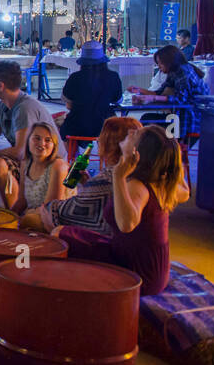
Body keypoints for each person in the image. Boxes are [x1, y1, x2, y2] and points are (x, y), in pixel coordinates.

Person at [55, 125, 188, 295]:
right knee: (63, 233)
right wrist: (174, 156)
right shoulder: (162, 183)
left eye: (135, 135)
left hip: (136, 272)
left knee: (59, 238)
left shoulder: (137, 186)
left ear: (137, 152)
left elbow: (127, 225)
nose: (131, 132)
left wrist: (119, 175)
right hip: (149, 265)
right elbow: (185, 192)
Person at [0, 59, 60, 204]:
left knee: (0, 165)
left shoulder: (24, 109)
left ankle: (13, 215)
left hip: (42, 164)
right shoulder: (2, 107)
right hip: (25, 160)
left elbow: (20, 153)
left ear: (1, 86)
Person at [28, 116, 141, 234]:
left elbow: (62, 211)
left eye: (102, 135)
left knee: (32, 220)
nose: (98, 140)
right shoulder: (139, 171)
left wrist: (43, 209)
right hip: (112, 232)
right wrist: (86, 185)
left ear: (107, 143)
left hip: (104, 240)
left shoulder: (110, 176)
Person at [128, 44, 209, 137]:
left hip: (188, 120)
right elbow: (160, 92)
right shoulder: (175, 72)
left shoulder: (183, 72)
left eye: (160, 63)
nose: (158, 66)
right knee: (146, 118)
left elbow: (180, 100)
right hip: (178, 117)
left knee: (147, 122)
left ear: (169, 61)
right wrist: (139, 91)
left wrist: (153, 98)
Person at [0, 122, 69, 216]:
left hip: (54, 220)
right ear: (28, 141)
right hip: (33, 218)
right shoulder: (26, 164)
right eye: (37, 138)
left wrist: (24, 220)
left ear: (54, 145)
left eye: (48, 140)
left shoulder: (58, 166)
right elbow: (22, 201)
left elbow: (50, 210)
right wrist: (9, 217)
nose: (42, 143)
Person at [59, 40, 122, 140]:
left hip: (76, 126)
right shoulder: (113, 77)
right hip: (104, 126)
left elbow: (68, 103)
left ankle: (73, 155)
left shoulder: (75, 77)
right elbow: (117, 100)